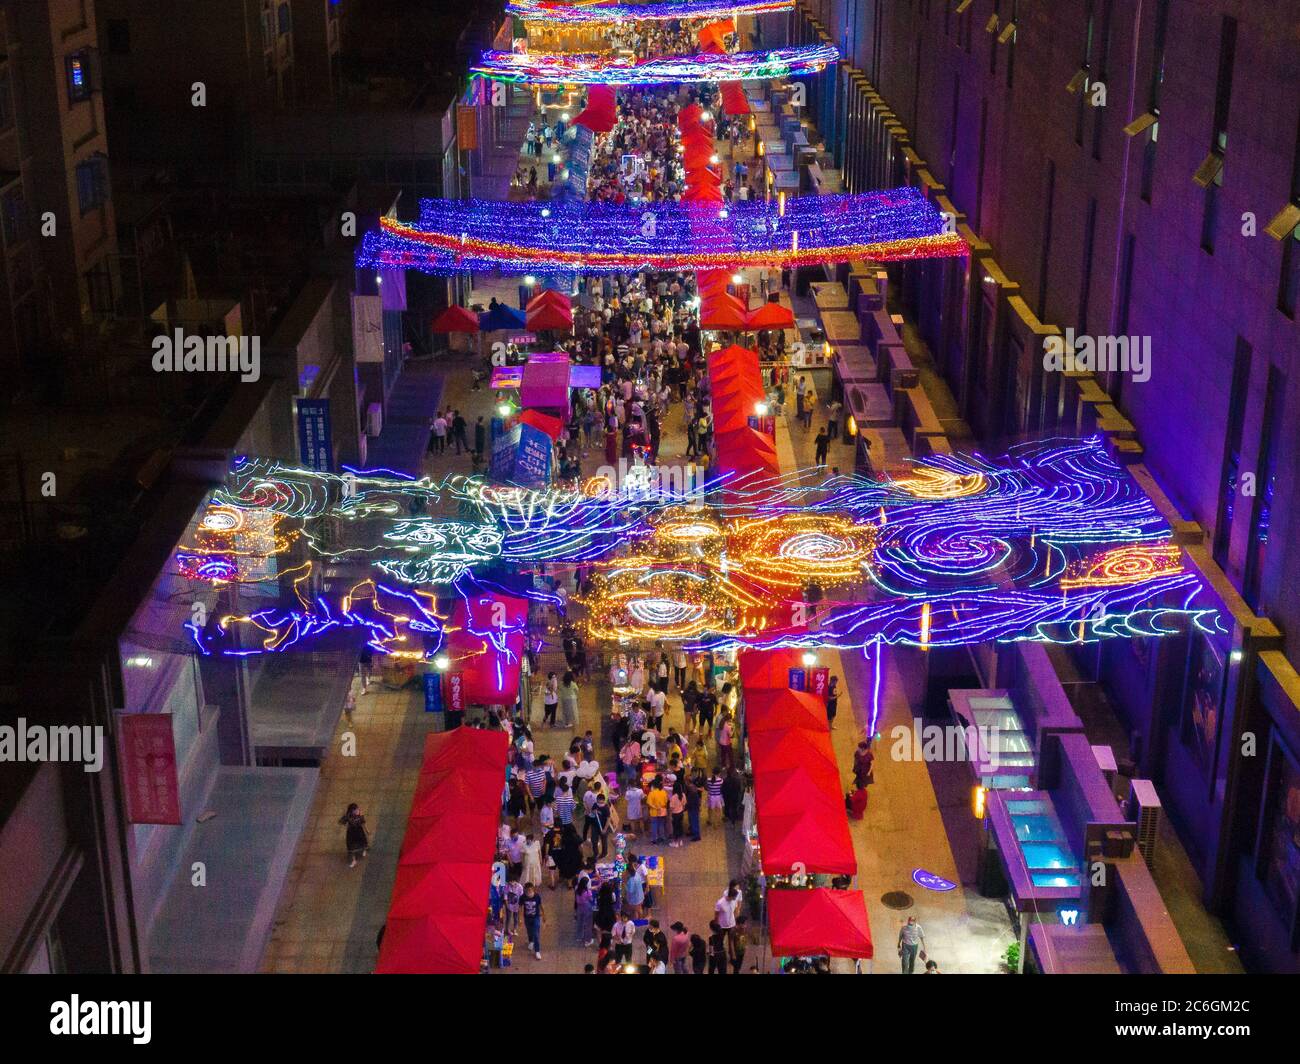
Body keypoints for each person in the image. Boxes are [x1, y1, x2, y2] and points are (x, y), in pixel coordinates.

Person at [339, 803, 369, 868]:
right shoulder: (348, 816)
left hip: (359, 832)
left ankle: (364, 849)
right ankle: (354, 860)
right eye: (355, 810)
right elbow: (341, 821)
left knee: (362, 842)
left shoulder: (360, 815)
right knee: (351, 846)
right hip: (351, 833)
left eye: (357, 809)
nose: (357, 811)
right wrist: (346, 824)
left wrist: (367, 830)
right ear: (352, 811)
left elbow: (363, 823)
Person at [522, 882, 544, 960]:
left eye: (530, 890)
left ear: (533, 889)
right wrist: (519, 919)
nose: (529, 892)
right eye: (527, 890)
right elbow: (520, 907)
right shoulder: (523, 897)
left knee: (536, 934)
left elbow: (540, 906)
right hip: (527, 918)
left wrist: (544, 915)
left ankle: (537, 951)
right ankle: (531, 941)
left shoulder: (537, 896)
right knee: (529, 931)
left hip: (536, 917)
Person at [573, 876, 596, 947]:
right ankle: (587, 940)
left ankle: (579, 936)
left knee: (580, 922)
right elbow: (591, 899)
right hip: (587, 908)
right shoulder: (587, 892)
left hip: (579, 908)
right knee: (588, 924)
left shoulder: (577, 889)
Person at [646, 775, 669, 843]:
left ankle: (654, 839)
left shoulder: (651, 793)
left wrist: (655, 807)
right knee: (661, 824)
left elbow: (649, 803)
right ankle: (662, 837)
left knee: (654, 824)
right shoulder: (663, 792)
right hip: (662, 811)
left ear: (654, 786)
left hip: (654, 812)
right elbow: (666, 801)